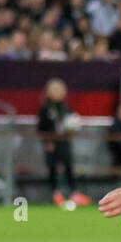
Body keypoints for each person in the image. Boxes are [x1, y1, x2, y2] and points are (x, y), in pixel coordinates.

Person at [37, 78, 89, 207]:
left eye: (59, 90)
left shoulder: (65, 107)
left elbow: (71, 123)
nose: (57, 92)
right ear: (48, 92)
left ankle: (74, 193)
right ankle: (55, 193)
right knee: (53, 168)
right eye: (54, 90)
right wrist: (47, 141)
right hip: (52, 144)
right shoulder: (45, 109)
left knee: (68, 166)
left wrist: (73, 126)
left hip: (64, 142)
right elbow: (41, 128)